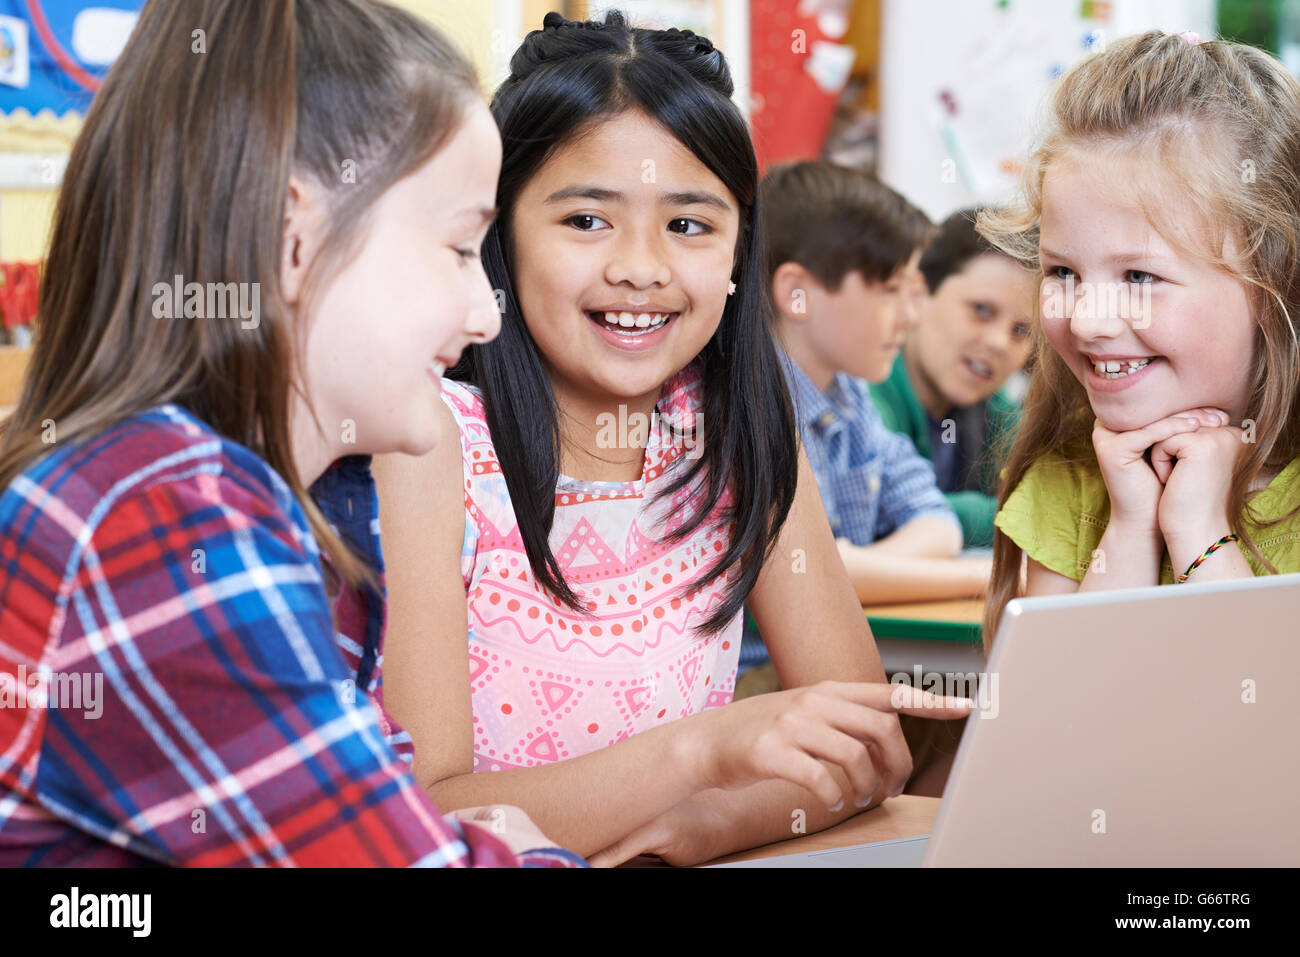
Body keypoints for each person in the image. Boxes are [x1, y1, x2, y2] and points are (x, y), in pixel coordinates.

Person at [371, 11, 973, 868]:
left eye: (689, 226)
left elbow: (868, 751)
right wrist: (698, 757)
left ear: (738, 253)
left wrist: (709, 825)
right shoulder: (427, 443)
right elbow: (423, 816)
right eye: (587, 220)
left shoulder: (735, 429)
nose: (641, 268)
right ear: (499, 233)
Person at [0, 0, 579, 867]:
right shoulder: (165, 523)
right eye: (461, 250)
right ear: (294, 240)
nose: (484, 315)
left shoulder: (280, 498)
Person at [983, 30, 1300, 645]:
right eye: (1063, 272)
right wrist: (1132, 528)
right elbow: (1063, 699)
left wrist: (1200, 532)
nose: (1087, 320)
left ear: (1273, 281)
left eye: (1139, 277)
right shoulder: (1071, 481)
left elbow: (1265, 697)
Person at [869, 208, 1036, 547]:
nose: (999, 343)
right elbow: (879, 514)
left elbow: (1050, 506)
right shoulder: (862, 392)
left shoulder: (996, 411)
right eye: (981, 310)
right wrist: (994, 516)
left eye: (1021, 330)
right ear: (918, 295)